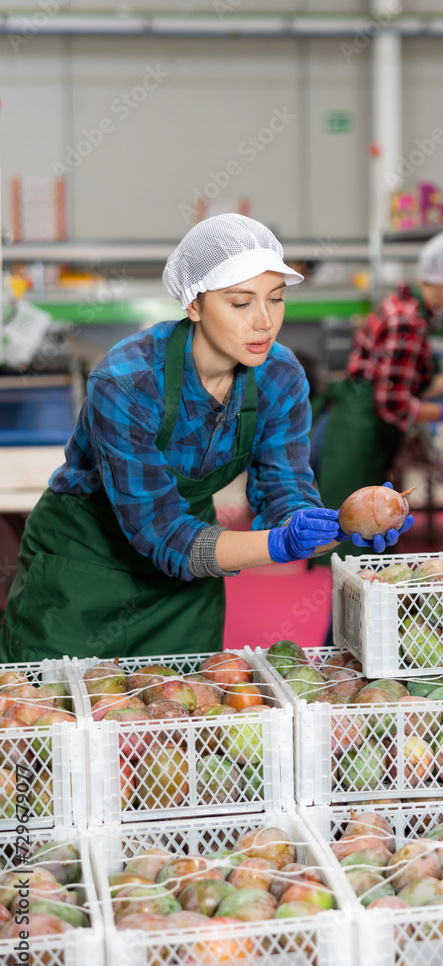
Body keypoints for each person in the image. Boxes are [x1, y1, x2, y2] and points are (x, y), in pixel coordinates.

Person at [0, 214, 411, 663]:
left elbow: (285, 487)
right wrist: (278, 545)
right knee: (51, 717)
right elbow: (164, 534)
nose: (264, 322)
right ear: (193, 305)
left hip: (184, 589)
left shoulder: (279, 374)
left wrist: (331, 526)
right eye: (240, 303)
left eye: (275, 299)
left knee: (186, 717)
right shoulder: (126, 383)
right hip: (82, 569)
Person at [312, 228, 443, 563]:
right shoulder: (407, 321)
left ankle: (347, 615)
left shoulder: (405, 308)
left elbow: (405, 381)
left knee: (364, 542)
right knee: (359, 547)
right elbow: (394, 404)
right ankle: (345, 618)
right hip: (358, 437)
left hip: (359, 430)